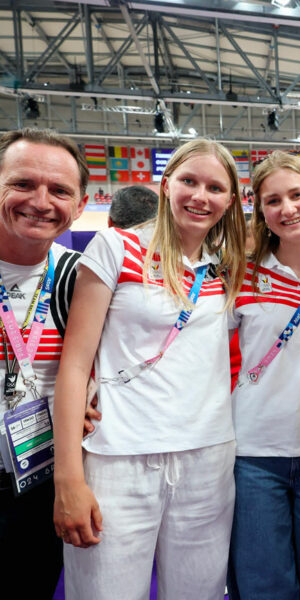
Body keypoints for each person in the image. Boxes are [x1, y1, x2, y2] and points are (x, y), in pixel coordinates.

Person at [53, 139, 247, 599]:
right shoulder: (117, 246)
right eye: (189, 181)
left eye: (215, 187)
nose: (201, 196)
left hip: (208, 458)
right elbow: (75, 364)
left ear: (230, 201)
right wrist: (69, 478)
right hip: (118, 456)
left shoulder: (230, 265)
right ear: (166, 185)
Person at [227, 151, 300, 599]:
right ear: (260, 210)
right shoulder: (239, 272)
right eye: (272, 200)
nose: (287, 208)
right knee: (263, 586)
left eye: (297, 195)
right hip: (254, 454)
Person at [0, 128, 88, 599]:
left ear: (80, 202)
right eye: (22, 183)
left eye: (59, 190)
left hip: (34, 481)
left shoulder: (81, 277)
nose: (41, 201)